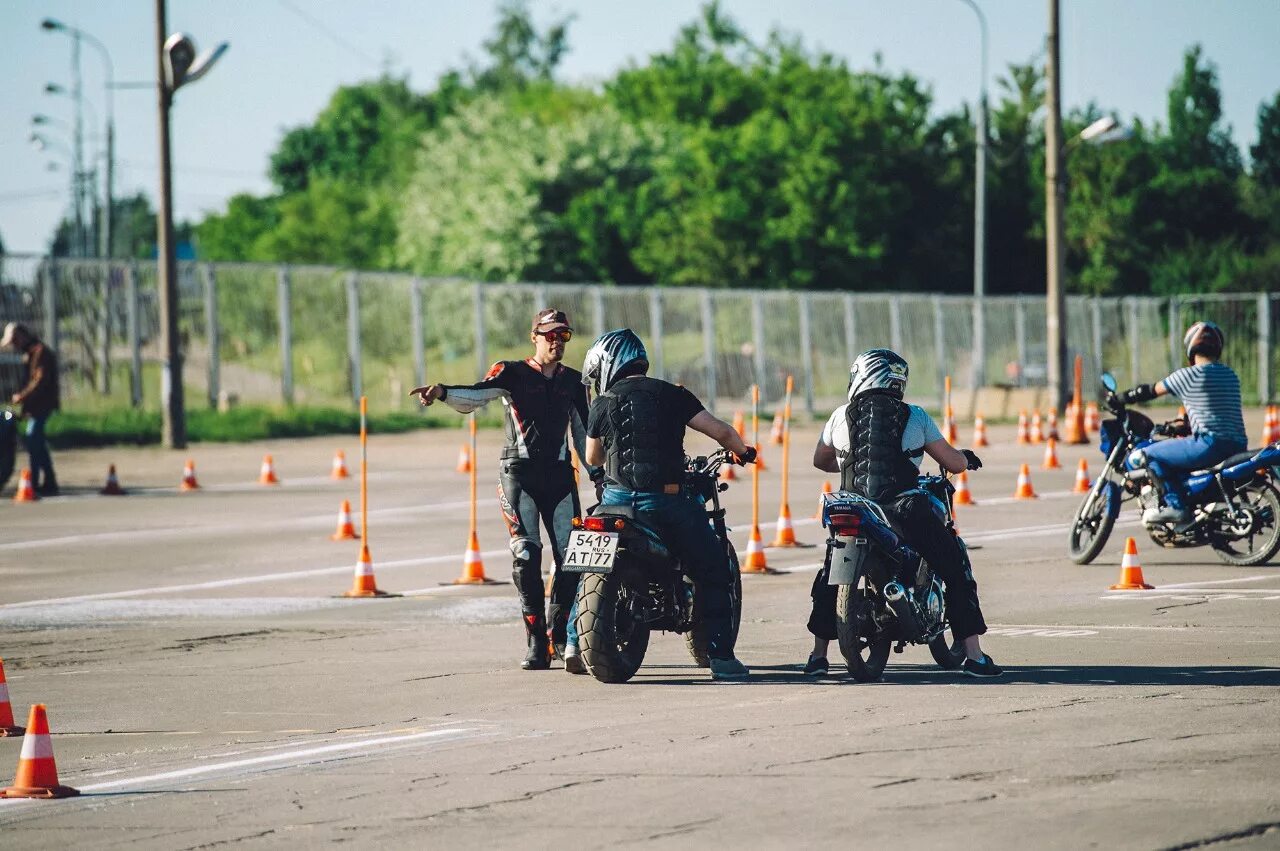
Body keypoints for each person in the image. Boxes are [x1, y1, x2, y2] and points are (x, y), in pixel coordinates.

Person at [411, 308, 598, 672]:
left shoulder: (574, 382)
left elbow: (585, 434)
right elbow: (477, 396)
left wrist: (600, 477)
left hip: (560, 479)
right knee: (526, 557)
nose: (557, 342)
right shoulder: (510, 372)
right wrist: (442, 392)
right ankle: (536, 643)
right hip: (519, 476)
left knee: (572, 560)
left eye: (564, 336)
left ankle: (560, 635)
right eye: (551, 335)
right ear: (535, 336)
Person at [807, 348, 1001, 678]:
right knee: (954, 565)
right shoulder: (915, 416)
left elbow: (820, 460)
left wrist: (844, 458)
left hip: (853, 506)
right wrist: (966, 459)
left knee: (831, 571)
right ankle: (975, 657)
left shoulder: (840, 415)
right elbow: (952, 462)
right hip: (903, 509)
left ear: (860, 376)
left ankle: (818, 656)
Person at [580, 328, 756, 681]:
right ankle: (721, 657)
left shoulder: (603, 402)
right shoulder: (671, 394)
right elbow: (721, 432)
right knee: (713, 566)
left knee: (582, 561)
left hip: (613, 504)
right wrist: (743, 450)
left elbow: (592, 456)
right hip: (666, 501)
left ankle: (573, 643)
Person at [1116, 320, 1247, 526]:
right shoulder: (1230, 375)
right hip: (1238, 445)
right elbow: (1213, 407)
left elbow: (1150, 391)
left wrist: (1122, 398)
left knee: (1144, 456)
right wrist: (1186, 423)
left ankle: (1175, 507)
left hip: (1208, 445)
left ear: (1191, 347)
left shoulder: (1187, 375)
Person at [2, 322, 60, 496]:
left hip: (42, 406)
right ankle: (49, 481)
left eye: (14, 342)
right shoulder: (30, 354)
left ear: (21, 337)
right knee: (36, 443)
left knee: (33, 438)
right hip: (34, 406)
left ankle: (34, 482)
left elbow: (39, 382)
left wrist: (22, 397)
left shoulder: (40, 353)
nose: (14, 346)